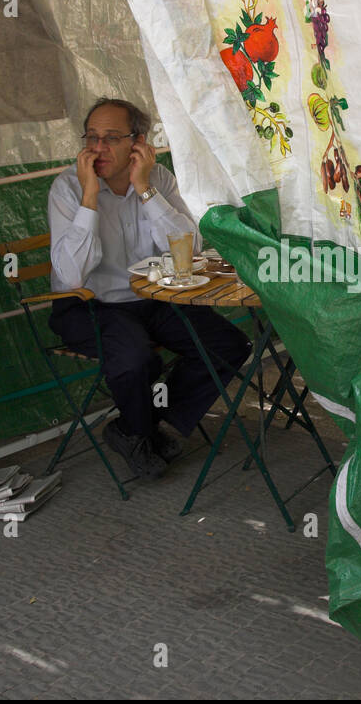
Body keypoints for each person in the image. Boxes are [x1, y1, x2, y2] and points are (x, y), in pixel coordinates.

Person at [47, 98, 251, 480]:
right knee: (135, 354)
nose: (98, 149)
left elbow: (188, 250)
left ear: (138, 143)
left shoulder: (158, 180)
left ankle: (150, 423)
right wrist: (89, 197)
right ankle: (140, 433)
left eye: (111, 138)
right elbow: (72, 275)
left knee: (228, 345)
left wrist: (144, 190)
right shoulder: (67, 188)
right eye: (91, 138)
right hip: (86, 306)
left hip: (151, 299)